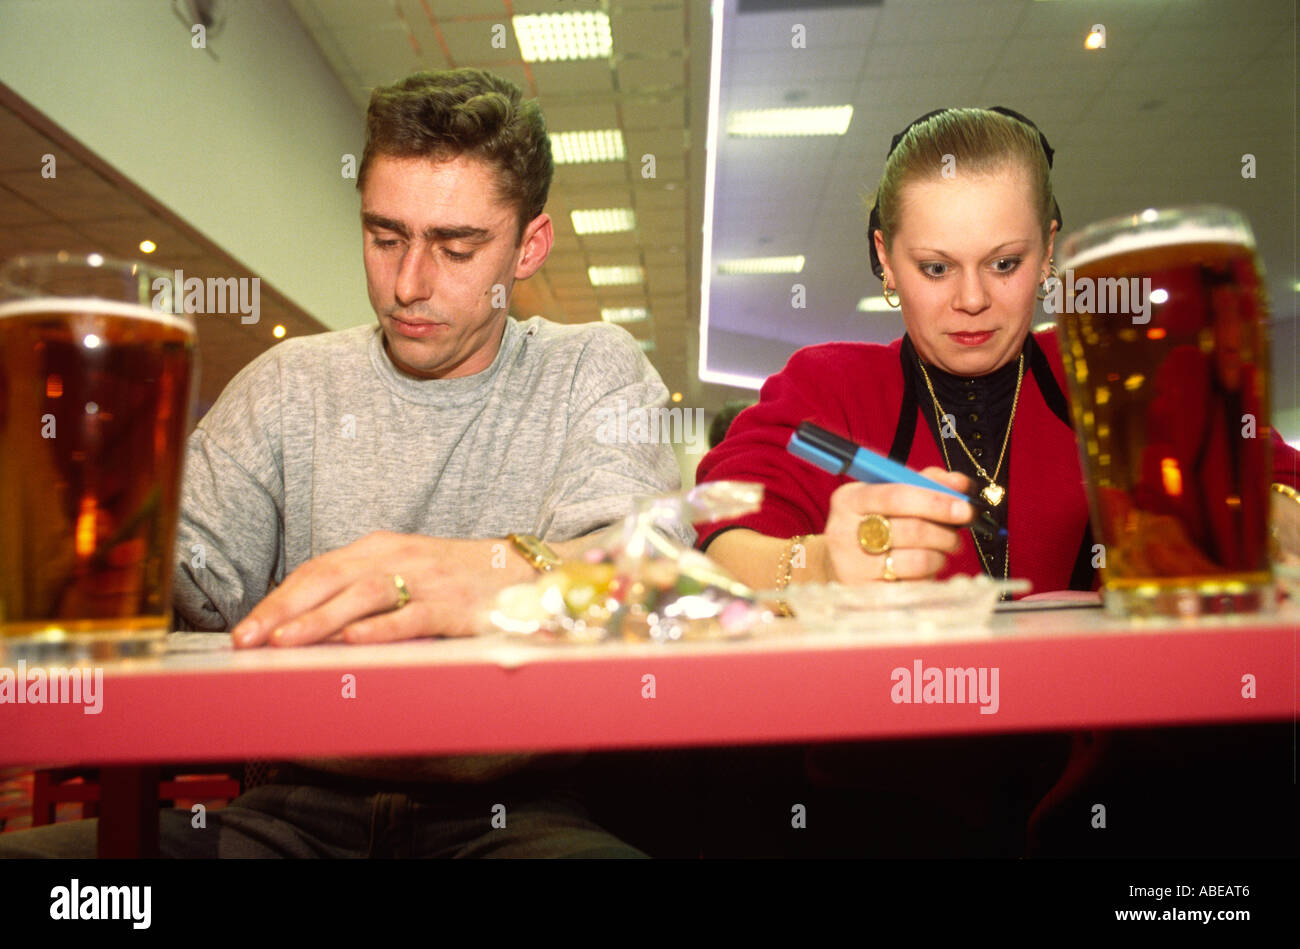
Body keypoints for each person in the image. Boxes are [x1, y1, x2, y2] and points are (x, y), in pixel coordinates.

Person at [0, 68, 686, 859]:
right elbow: (183, 582)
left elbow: (647, 574)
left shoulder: (589, 368)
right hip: (289, 809)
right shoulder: (289, 384)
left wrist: (487, 575)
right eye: (385, 237)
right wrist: (74, 530)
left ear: (529, 247)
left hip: (516, 809)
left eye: (456, 247)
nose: (408, 284)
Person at [690, 106, 1300, 857]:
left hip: (1123, 810)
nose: (972, 299)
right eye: (935, 267)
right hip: (884, 814)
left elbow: (1269, 470)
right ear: (885, 258)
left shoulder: (1109, 365)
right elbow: (721, 535)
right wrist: (817, 568)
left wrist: (1264, 516)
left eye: (1005, 263)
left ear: (1048, 250)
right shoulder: (829, 389)